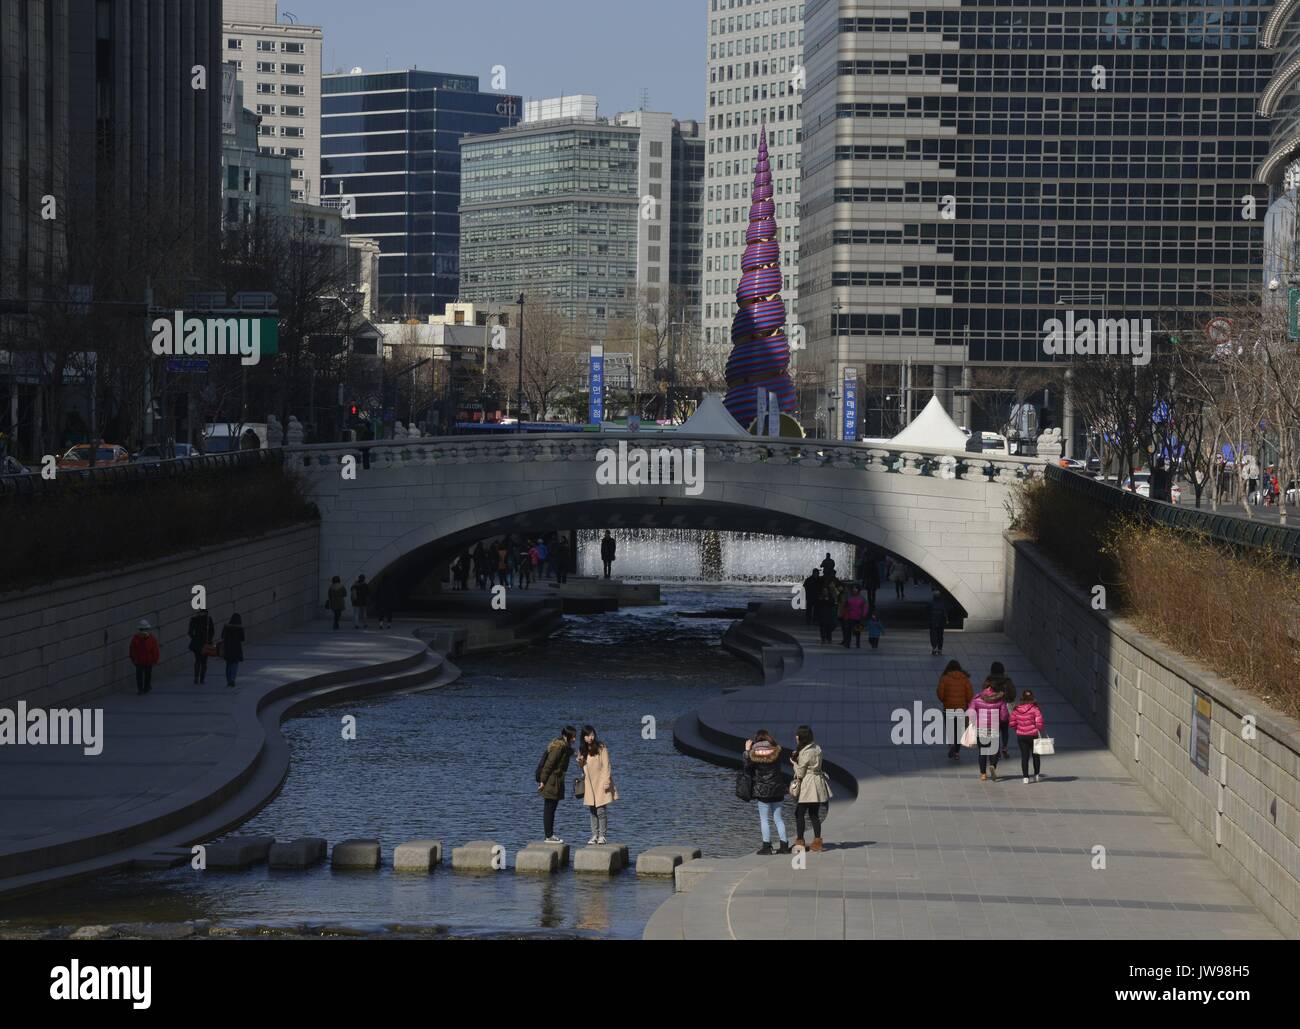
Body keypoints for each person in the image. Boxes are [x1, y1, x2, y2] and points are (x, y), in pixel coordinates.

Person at [743, 730, 790, 855]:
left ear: (756, 740)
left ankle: (767, 847)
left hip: (763, 791)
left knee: (764, 819)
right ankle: (784, 846)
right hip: (778, 789)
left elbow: (747, 767)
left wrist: (747, 750)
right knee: (778, 818)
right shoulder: (776, 752)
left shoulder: (754, 754)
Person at [789, 725, 831, 852]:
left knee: (799, 813)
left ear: (801, 737)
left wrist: (793, 762)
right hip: (817, 783)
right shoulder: (817, 749)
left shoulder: (805, 753)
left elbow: (800, 773)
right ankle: (817, 842)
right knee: (814, 814)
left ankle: (800, 841)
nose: (795, 736)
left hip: (808, 784)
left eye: (797, 735)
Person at [577, 725, 617, 844]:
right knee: (592, 810)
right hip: (589, 783)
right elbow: (583, 767)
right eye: (588, 735)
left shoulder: (601, 747)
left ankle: (602, 835)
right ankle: (594, 835)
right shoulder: (583, 749)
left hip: (600, 782)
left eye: (592, 734)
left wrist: (607, 781)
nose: (591, 737)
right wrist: (579, 761)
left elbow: (606, 765)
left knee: (601, 810)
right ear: (583, 737)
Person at [537, 726, 577, 843]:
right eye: (573, 736)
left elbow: (571, 752)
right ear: (566, 736)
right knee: (549, 808)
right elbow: (548, 766)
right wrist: (542, 781)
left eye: (575, 736)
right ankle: (548, 836)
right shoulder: (558, 748)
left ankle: (549, 835)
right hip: (550, 781)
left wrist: (579, 754)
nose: (574, 739)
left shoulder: (564, 746)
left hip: (556, 781)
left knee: (552, 808)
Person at [968, 679, 1008, 781]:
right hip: (994, 728)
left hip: (980, 728)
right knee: (994, 750)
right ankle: (993, 766)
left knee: (982, 752)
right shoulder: (1000, 700)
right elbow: (1004, 717)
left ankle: (983, 774)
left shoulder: (977, 698)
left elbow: (971, 713)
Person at [936, 660, 973, 760]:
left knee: (950, 728)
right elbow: (969, 695)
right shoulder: (965, 679)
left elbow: (940, 694)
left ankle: (951, 743)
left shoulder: (944, 679)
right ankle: (957, 752)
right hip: (961, 709)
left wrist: (944, 700)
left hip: (948, 708)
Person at [1008, 689, 1046, 783]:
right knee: (1036, 756)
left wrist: (1018, 728)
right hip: (1033, 735)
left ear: (1022, 698)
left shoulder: (1016, 709)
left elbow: (1012, 723)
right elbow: (1039, 724)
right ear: (1032, 698)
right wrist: (1036, 728)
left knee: (1024, 756)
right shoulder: (1035, 709)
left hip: (1021, 736)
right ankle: (1036, 775)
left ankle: (1025, 777)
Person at [990, 663, 1016, 757]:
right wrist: (1007, 699)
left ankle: (996, 750)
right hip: (1004, 709)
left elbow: (984, 695)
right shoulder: (1007, 681)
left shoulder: (988, 681)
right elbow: (1013, 694)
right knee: (1005, 729)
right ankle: (1004, 747)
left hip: (993, 710)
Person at [129, 619, 160, 695]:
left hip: (139, 661)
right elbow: (155, 650)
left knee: (140, 676)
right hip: (147, 660)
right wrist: (155, 659)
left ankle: (141, 689)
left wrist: (133, 659)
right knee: (147, 675)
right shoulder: (151, 638)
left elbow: (132, 650)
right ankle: (146, 687)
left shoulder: (135, 639)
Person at [187, 606, 215, 685]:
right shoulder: (208, 620)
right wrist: (209, 640)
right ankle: (202, 678)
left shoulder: (194, 619)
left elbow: (190, 632)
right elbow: (212, 631)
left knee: (197, 660)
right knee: (204, 661)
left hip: (196, 644)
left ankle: (196, 678)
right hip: (206, 643)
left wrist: (195, 638)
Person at [838, 583, 869, 648]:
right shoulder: (848, 597)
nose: (855, 590)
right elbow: (843, 605)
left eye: (856, 588)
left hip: (858, 617)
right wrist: (841, 614)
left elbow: (865, 607)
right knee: (847, 631)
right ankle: (847, 643)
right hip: (848, 616)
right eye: (853, 588)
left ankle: (858, 643)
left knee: (857, 631)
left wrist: (863, 615)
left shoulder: (862, 598)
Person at [221, 613, 245, 688]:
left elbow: (222, 636)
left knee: (228, 665)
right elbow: (243, 638)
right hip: (236, 649)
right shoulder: (239, 628)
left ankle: (228, 680)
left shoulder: (227, 627)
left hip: (228, 648)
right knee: (234, 664)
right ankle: (232, 680)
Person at [815, 573, 840, 644]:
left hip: (829, 614)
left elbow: (833, 603)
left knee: (830, 626)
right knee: (823, 627)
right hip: (822, 615)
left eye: (825, 591)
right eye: (823, 591)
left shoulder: (830, 596)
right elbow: (817, 605)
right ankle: (824, 638)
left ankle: (828, 638)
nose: (825, 592)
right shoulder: (820, 597)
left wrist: (827, 600)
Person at [928, 589, 947, 655]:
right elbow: (945, 613)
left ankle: (934, 648)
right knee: (940, 636)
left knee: (933, 635)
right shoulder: (943, 603)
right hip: (940, 623)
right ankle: (940, 649)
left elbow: (927, 613)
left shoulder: (931, 603)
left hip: (933, 623)